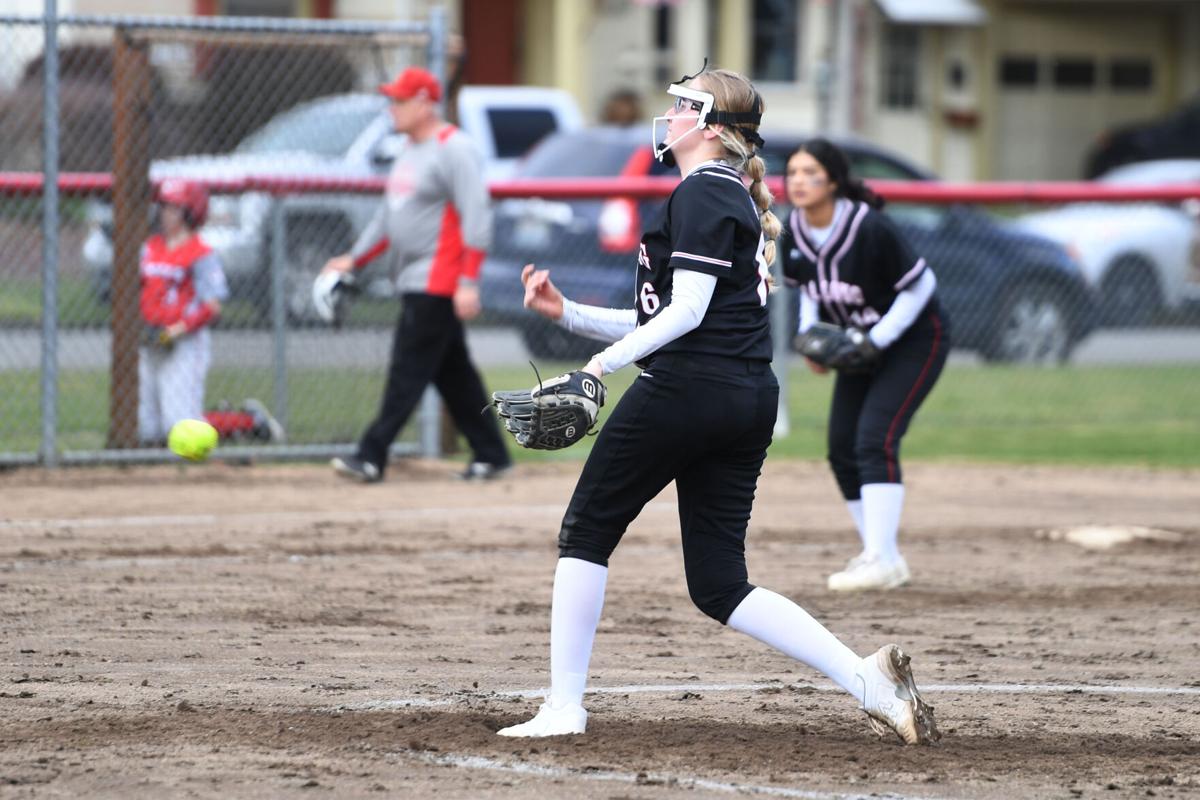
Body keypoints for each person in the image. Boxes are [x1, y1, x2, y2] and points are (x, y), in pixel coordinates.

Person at [497, 66, 939, 745]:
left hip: (688, 390)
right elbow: (677, 314)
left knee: (585, 532)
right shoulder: (723, 192)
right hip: (744, 395)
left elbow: (688, 314)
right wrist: (571, 315)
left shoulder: (703, 191)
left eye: (682, 105)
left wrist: (599, 366)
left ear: (709, 126)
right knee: (719, 583)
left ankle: (564, 707)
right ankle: (867, 681)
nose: (669, 114)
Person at [321, 67, 510, 483]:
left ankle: (371, 454)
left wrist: (468, 281)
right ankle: (491, 452)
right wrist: (354, 258)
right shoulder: (408, 149)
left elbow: (476, 216)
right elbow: (389, 218)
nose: (392, 108)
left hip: (438, 279)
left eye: (400, 100)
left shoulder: (454, 148)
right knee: (453, 373)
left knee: (408, 369)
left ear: (425, 103)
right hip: (412, 278)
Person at [779, 139, 950, 592]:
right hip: (859, 344)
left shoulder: (868, 227)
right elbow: (810, 290)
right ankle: (883, 555)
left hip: (914, 341)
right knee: (841, 449)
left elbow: (921, 286)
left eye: (810, 172)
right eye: (792, 172)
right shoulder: (793, 228)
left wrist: (877, 340)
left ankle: (879, 558)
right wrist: (812, 340)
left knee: (874, 439)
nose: (798, 181)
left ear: (834, 180)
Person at [138, 179, 283, 447]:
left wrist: (176, 330)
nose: (166, 214)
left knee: (177, 426)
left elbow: (212, 306)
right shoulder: (150, 248)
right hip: (148, 339)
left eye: (174, 208)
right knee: (146, 430)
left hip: (184, 343)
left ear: (191, 212)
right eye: (164, 207)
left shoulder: (200, 252)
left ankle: (248, 422)